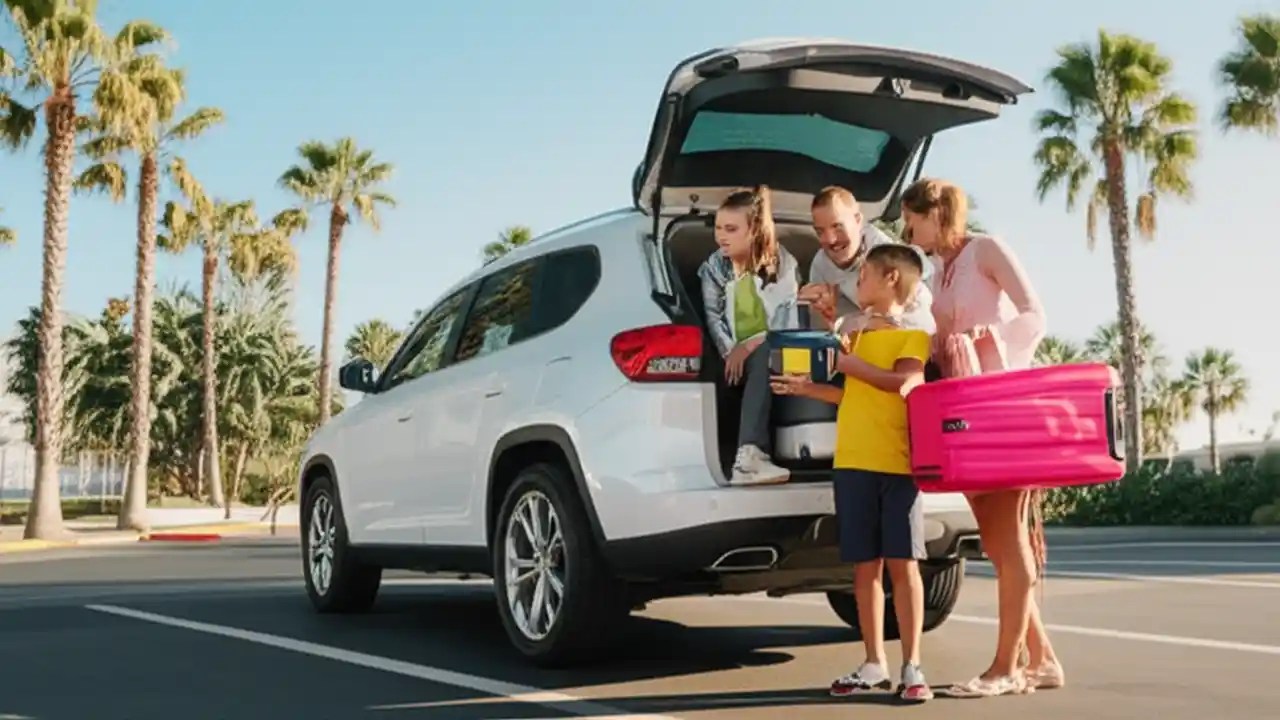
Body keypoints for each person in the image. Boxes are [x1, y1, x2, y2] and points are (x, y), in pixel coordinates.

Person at [899, 177, 1063, 697]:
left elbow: (1036, 315)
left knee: (1011, 539)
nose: (907, 229)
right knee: (994, 541)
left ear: (939, 211)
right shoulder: (938, 271)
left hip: (1001, 407)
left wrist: (982, 343)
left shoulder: (987, 249)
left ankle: (1005, 668)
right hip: (961, 413)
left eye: (913, 218)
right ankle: (1043, 659)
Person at [772, 244, 934, 703]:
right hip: (852, 464)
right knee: (865, 568)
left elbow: (902, 385)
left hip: (898, 465)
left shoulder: (914, 336)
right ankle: (873, 663)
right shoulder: (855, 335)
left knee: (904, 566)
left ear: (890, 280)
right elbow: (852, 396)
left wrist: (847, 363)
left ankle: (912, 665)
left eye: (862, 275)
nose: (854, 283)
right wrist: (810, 388)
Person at [698, 184, 802, 486]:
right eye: (718, 228)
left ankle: (752, 454)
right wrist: (732, 350)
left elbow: (786, 318)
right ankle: (747, 456)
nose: (721, 236)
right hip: (731, 357)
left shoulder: (782, 264)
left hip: (780, 352)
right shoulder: (714, 267)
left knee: (767, 350)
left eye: (731, 229)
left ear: (754, 229)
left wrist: (749, 345)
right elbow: (713, 317)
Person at [799, 186, 935, 334]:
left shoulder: (887, 255)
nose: (830, 240)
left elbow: (922, 311)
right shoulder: (821, 266)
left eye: (838, 227)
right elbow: (827, 328)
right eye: (820, 231)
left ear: (858, 221)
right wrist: (810, 307)